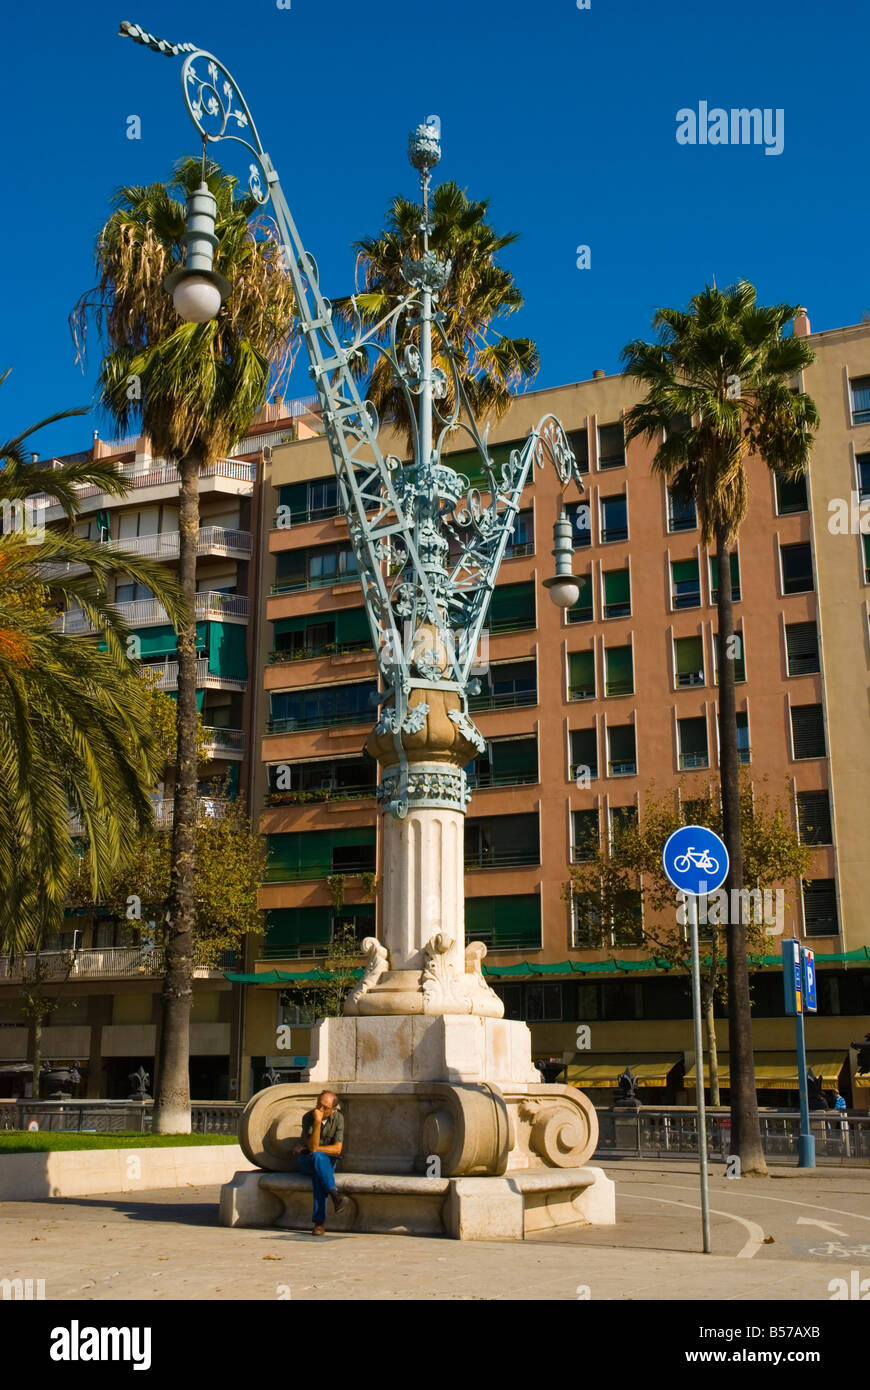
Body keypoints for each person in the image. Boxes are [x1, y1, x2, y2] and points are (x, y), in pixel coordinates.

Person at [292, 1091, 346, 1235]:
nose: (320, 1109)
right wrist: (317, 1121)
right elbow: (313, 1147)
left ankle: (319, 1223)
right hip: (307, 1161)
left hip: (326, 1162)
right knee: (317, 1158)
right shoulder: (309, 1117)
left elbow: (337, 1148)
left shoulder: (338, 1118)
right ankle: (335, 1195)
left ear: (334, 1109)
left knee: (318, 1174)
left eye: (325, 1107)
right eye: (318, 1105)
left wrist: (312, 1149)